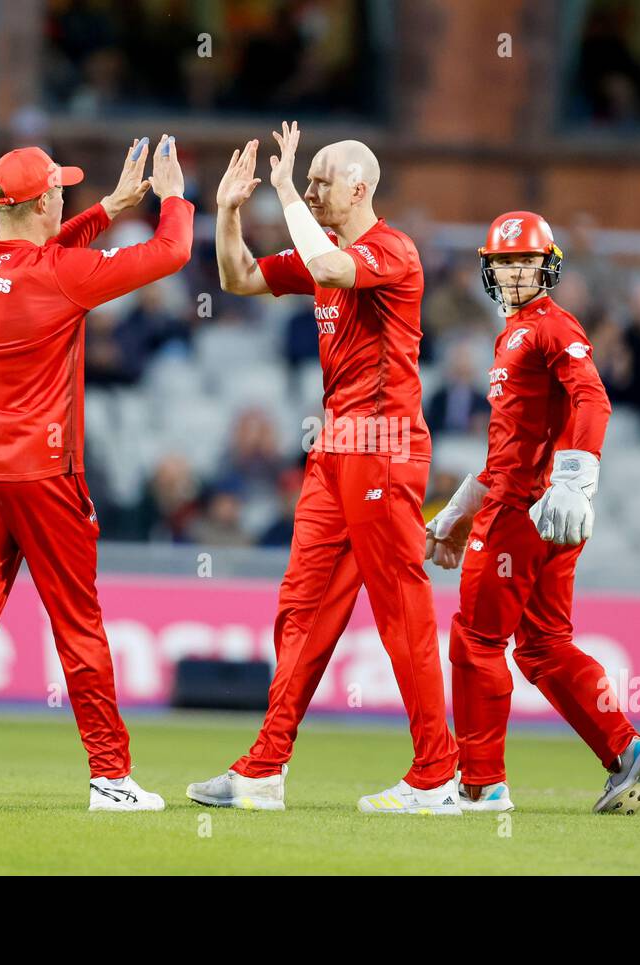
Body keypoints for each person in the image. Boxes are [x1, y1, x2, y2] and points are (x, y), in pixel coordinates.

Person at [0, 137, 193, 813]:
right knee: (78, 623)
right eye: (62, 193)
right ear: (44, 200)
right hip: (41, 474)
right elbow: (170, 253)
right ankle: (110, 776)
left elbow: (34, 256)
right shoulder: (61, 276)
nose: (65, 200)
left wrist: (105, 209)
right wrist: (173, 197)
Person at [188, 123, 460, 814]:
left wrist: (283, 193)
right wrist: (226, 212)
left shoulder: (389, 250)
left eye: (319, 180)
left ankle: (437, 772)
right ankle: (263, 768)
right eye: (305, 181)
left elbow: (333, 270)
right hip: (336, 446)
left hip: (385, 442)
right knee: (300, 610)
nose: (309, 188)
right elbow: (237, 276)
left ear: (360, 187)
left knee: (401, 610)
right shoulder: (326, 249)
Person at [425, 211, 640, 815]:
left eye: (523, 261)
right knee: (543, 646)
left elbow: (594, 397)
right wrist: (455, 515)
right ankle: (624, 751)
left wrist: (574, 479)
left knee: (477, 640)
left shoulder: (549, 328)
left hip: (525, 511)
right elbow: (504, 453)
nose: (512, 272)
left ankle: (481, 784)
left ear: (547, 265)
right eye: (502, 262)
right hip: (538, 509)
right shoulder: (514, 334)